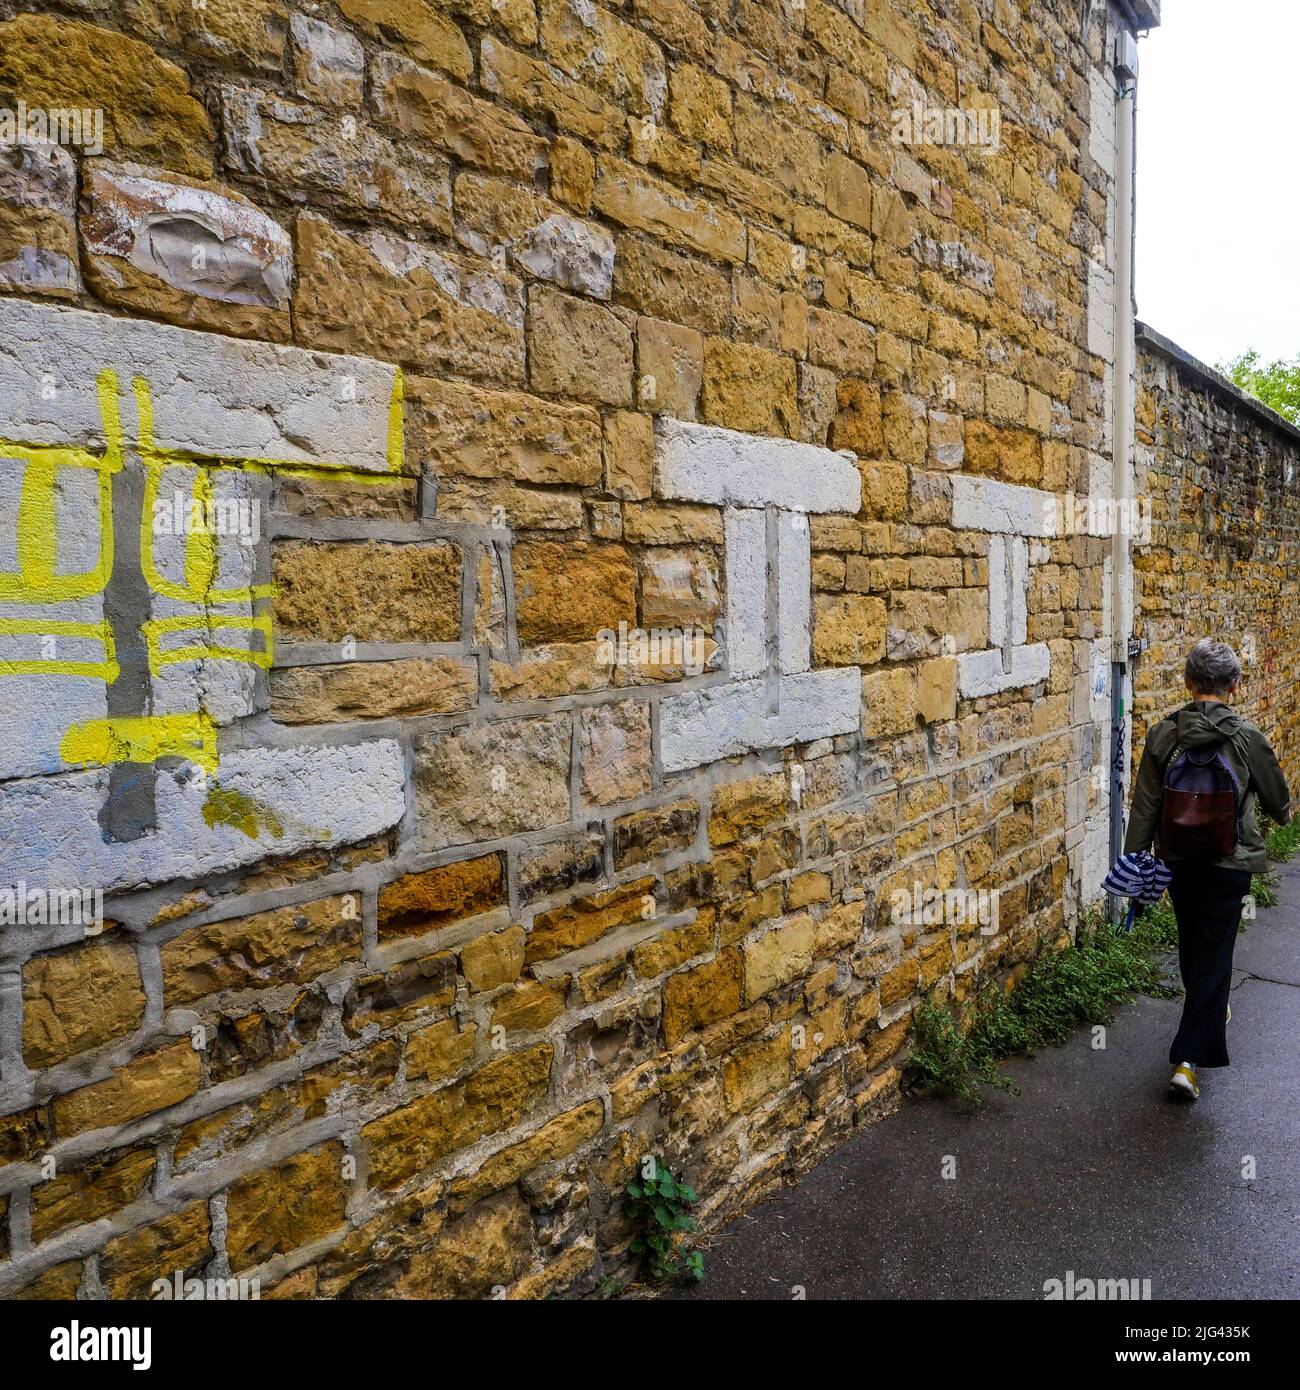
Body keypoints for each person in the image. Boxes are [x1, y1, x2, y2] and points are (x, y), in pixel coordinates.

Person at [1124, 638, 1291, 1100]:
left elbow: (1144, 807)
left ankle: (1208, 1015)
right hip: (1228, 861)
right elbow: (1279, 804)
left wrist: (1137, 861)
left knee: (1194, 945)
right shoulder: (1248, 738)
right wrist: (1281, 813)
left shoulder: (1164, 734)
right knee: (1214, 952)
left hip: (1177, 859)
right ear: (1235, 685)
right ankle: (1187, 1060)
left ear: (1187, 681)